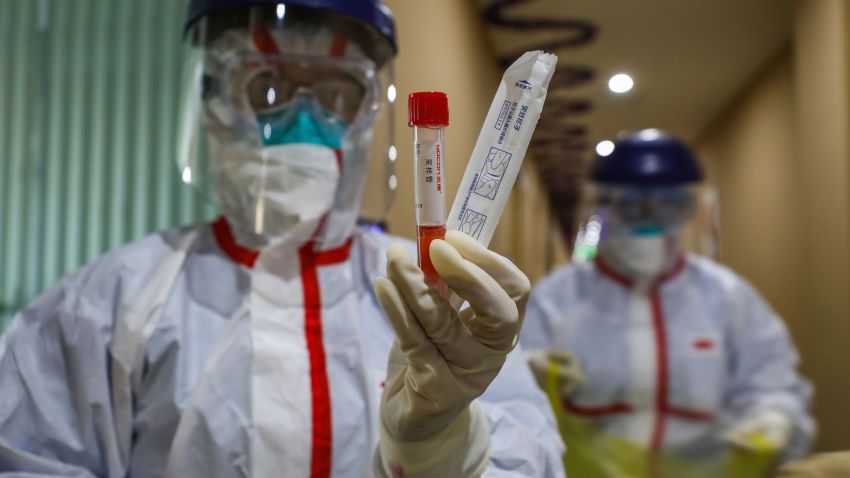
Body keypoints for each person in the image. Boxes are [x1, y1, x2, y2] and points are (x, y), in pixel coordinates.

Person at [0, 1, 564, 476]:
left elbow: (530, 455)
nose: (303, 119)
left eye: (336, 93)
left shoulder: (431, 292)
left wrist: (447, 453)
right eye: (267, 87)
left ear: (368, 113)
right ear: (214, 98)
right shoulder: (110, 302)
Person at [521, 129, 814, 477]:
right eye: (633, 205)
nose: (650, 219)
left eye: (667, 205)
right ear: (604, 206)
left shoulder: (728, 297)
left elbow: (772, 381)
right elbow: (506, 403)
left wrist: (774, 417)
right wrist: (528, 374)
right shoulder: (555, 298)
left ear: (688, 209)